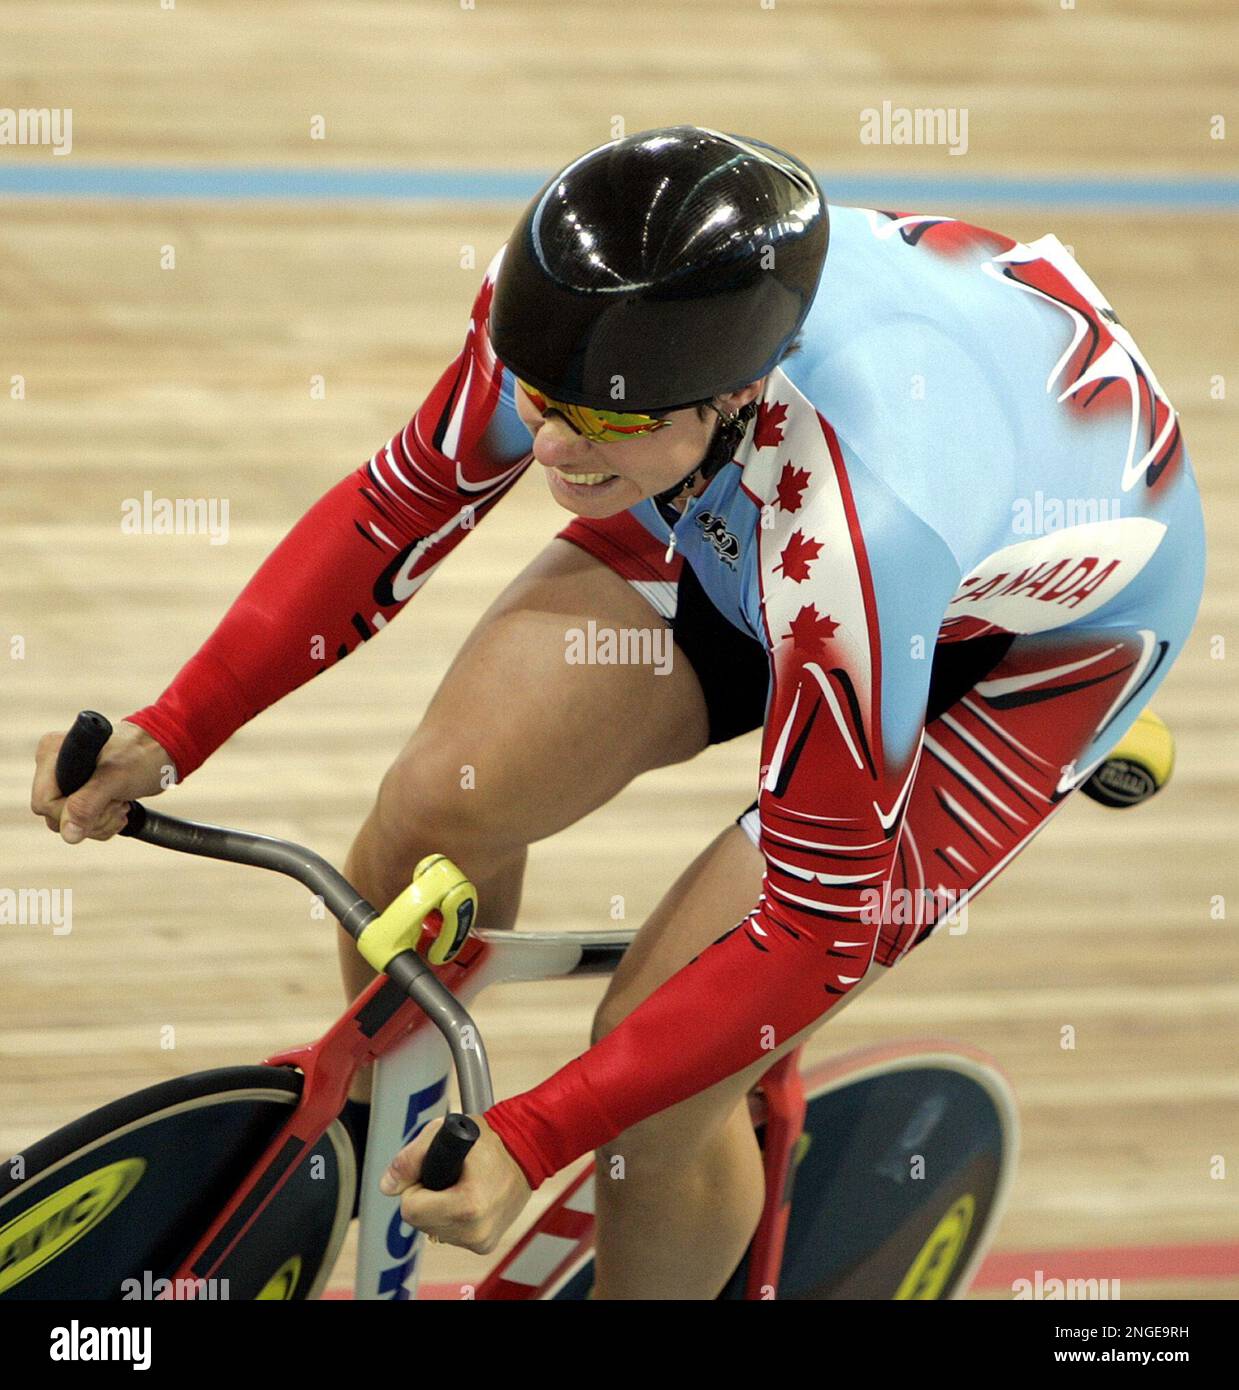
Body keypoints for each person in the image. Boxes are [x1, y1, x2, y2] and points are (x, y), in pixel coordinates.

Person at [31, 126, 1205, 1299]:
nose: (544, 442)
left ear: (736, 389)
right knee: (438, 806)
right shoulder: (580, 324)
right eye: (541, 401)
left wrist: (541, 1133)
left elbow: (818, 925)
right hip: (743, 521)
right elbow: (404, 501)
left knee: (657, 1084)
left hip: (1022, 647)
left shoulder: (859, 522)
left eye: (591, 422)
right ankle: (426, 1153)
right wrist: (175, 725)